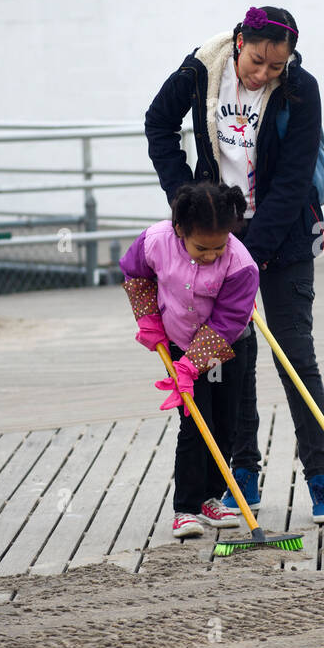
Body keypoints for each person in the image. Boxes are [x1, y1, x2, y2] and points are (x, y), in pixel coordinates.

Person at [143, 6, 324, 523]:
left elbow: (295, 177)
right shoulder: (199, 72)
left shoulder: (302, 89)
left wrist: (253, 254)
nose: (263, 74)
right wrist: (188, 198)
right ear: (239, 43)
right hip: (219, 235)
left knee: (295, 356)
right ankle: (243, 477)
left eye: (275, 67)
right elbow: (157, 124)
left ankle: (320, 479)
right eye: (257, 62)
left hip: (285, 238)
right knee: (233, 360)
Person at [119, 182, 260, 538]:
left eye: (219, 246)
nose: (211, 255)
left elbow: (227, 322)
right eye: (201, 248)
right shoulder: (155, 242)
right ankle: (186, 507)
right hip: (180, 341)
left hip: (227, 347)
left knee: (227, 424)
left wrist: (191, 366)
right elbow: (136, 275)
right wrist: (149, 319)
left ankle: (212, 497)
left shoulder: (241, 265)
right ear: (180, 230)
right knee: (196, 424)